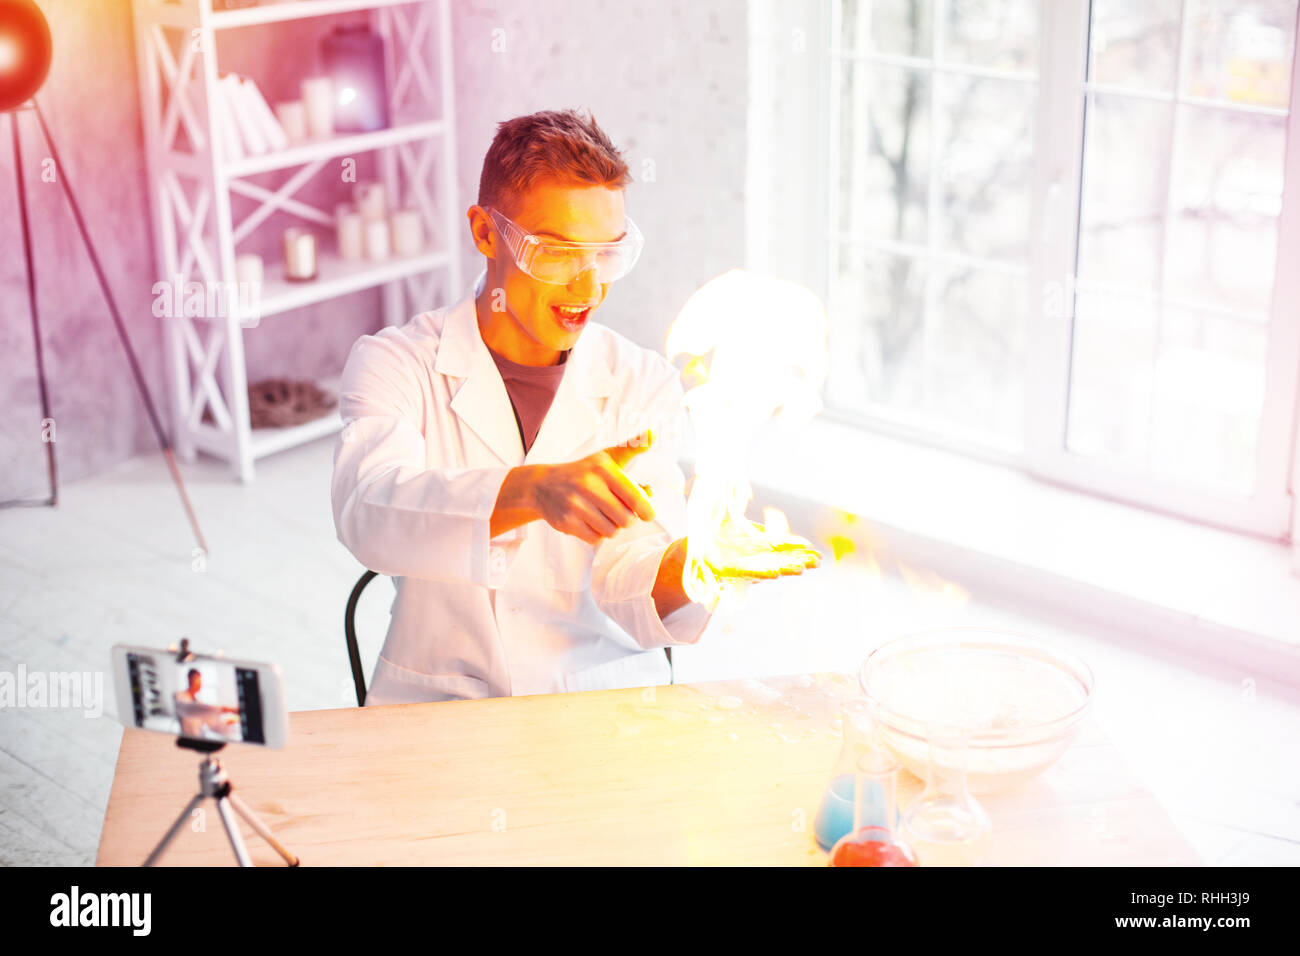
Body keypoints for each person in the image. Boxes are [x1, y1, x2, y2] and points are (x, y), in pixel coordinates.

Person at [332, 109, 817, 705]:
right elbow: (370, 514)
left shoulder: (639, 383)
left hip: (594, 701)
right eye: (558, 252)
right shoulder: (397, 364)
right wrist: (533, 491)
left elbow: (630, 581)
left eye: (606, 254)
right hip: (437, 703)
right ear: (486, 233)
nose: (588, 289)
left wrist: (702, 564)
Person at [173, 669, 239, 740]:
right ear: (189, 679)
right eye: (197, 679)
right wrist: (228, 709)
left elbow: (213, 724)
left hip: (200, 739)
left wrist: (228, 722)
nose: (200, 683)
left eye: (200, 680)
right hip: (187, 739)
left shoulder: (198, 702)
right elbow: (189, 709)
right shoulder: (179, 696)